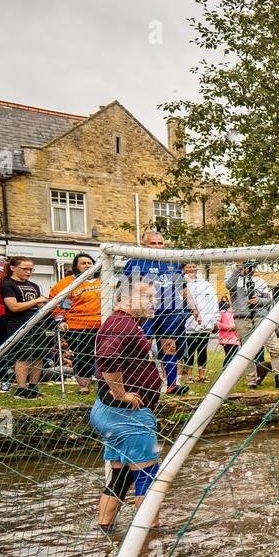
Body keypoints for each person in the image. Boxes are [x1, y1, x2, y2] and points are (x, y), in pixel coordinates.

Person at [90, 281, 164, 535]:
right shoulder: (123, 324)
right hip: (128, 417)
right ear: (124, 299)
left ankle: (105, 529)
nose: (154, 301)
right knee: (149, 479)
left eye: (155, 297)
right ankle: (150, 539)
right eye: (147, 296)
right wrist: (121, 393)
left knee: (121, 478)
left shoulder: (124, 323)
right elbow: (108, 358)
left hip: (111, 414)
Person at [123, 229, 190, 395]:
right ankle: (140, 383)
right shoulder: (135, 262)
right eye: (153, 243)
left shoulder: (172, 261)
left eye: (160, 243)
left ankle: (172, 384)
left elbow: (183, 287)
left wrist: (193, 307)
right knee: (142, 346)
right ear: (143, 244)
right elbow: (125, 288)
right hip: (145, 311)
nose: (158, 246)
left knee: (170, 346)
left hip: (170, 311)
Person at [228, 260, 279, 390]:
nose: (250, 269)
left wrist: (259, 300)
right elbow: (229, 285)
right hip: (242, 318)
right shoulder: (235, 280)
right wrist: (238, 270)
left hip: (260, 317)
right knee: (247, 349)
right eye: (247, 267)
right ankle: (252, 379)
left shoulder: (260, 281)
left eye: (252, 267)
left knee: (274, 347)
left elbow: (269, 299)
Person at [49, 253, 102, 392]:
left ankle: (107, 382)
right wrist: (60, 319)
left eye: (89, 263)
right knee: (84, 355)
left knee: (106, 354)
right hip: (78, 324)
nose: (87, 265)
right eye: (83, 263)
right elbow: (57, 301)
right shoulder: (68, 282)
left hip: (102, 323)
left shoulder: (102, 280)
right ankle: (84, 385)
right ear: (76, 266)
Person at [0, 257, 50, 399]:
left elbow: (39, 305)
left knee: (38, 355)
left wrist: (47, 304)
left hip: (37, 323)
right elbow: (13, 307)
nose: (28, 272)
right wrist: (37, 300)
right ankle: (21, 389)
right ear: (13, 268)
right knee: (23, 356)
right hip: (18, 324)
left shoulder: (33, 285)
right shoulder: (7, 284)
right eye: (25, 269)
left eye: (31, 269)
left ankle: (34, 387)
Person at [181, 262, 219, 384]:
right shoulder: (181, 284)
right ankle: (189, 375)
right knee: (190, 348)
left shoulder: (206, 284)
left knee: (203, 348)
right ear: (184, 269)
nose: (192, 269)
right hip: (189, 321)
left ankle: (202, 374)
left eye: (194, 266)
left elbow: (213, 302)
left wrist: (214, 319)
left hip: (205, 321)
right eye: (189, 267)